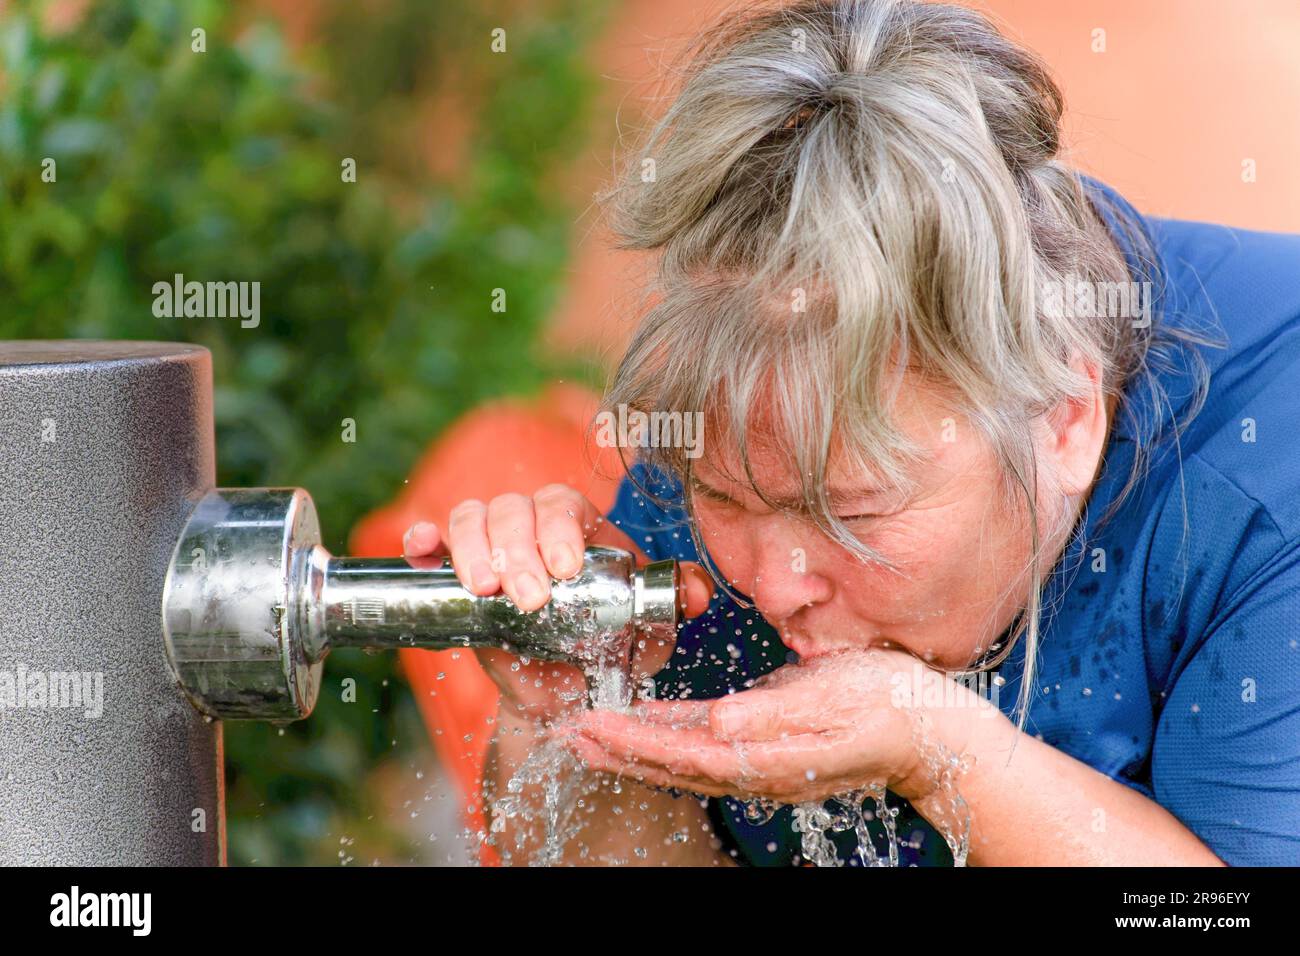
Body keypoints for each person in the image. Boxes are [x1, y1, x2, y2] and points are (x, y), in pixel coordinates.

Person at [404, 0, 1300, 865]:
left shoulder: (1266, 481)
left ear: (1064, 417)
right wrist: (567, 719)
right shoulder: (754, 407)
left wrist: (942, 755)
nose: (771, 585)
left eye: (852, 516)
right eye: (717, 495)